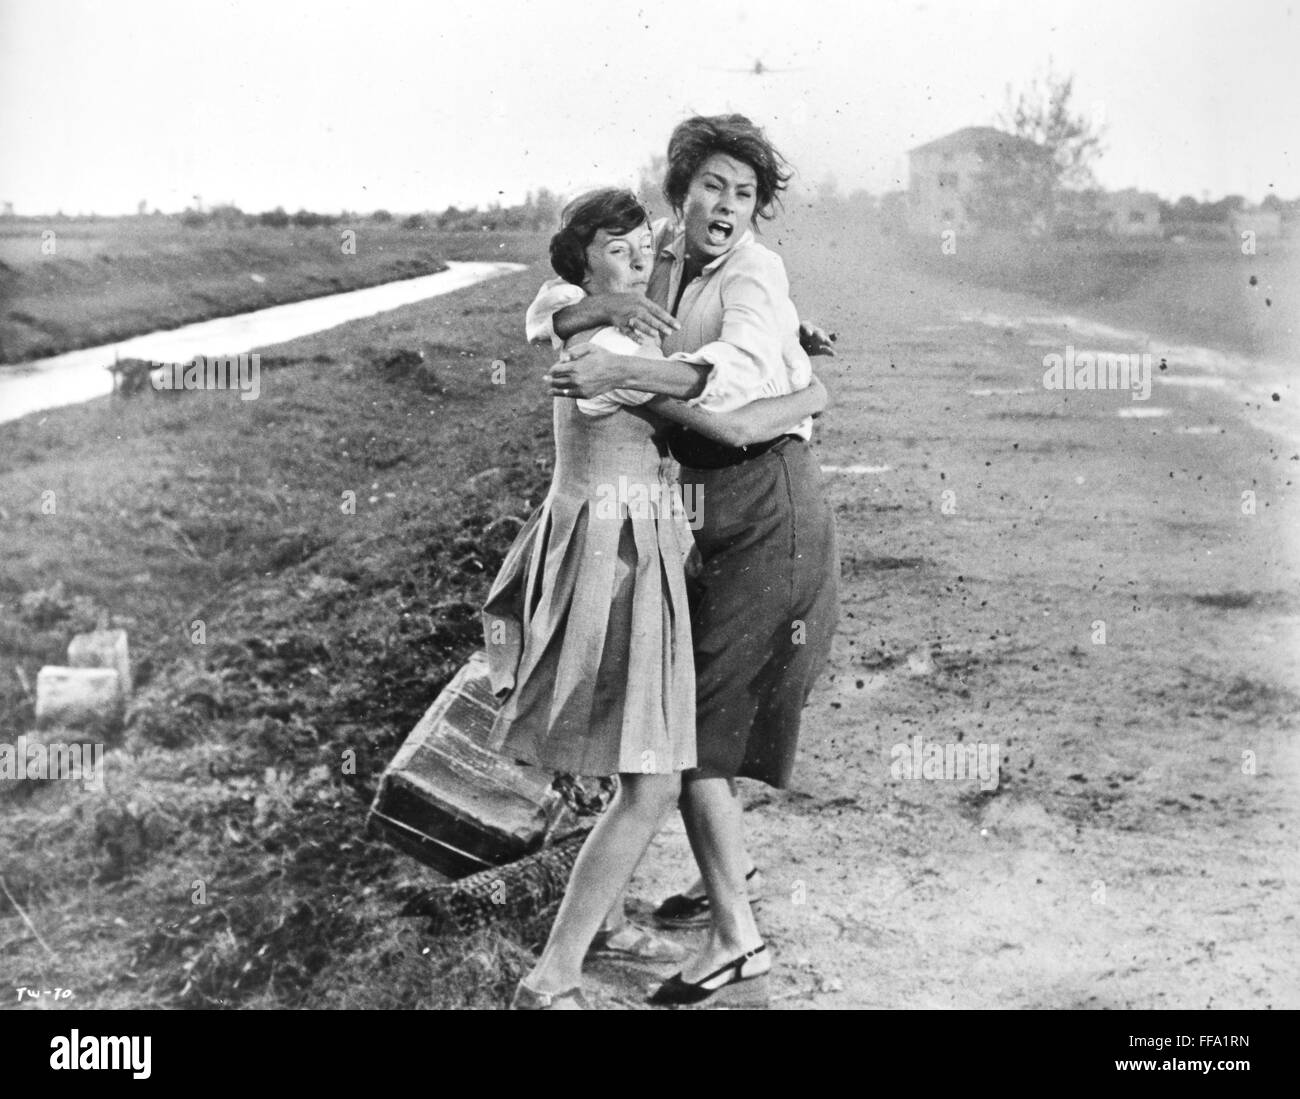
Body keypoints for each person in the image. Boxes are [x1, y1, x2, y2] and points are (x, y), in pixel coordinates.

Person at [485, 187, 828, 1009]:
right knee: (652, 777)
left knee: (626, 740)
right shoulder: (603, 340)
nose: (640, 258)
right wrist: (809, 392)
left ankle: (600, 929)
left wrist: (779, 335)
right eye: (618, 247)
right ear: (582, 259)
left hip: (609, 543)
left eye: (645, 245)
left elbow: (553, 313)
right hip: (622, 554)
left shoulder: (593, 315)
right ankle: (553, 973)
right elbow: (723, 417)